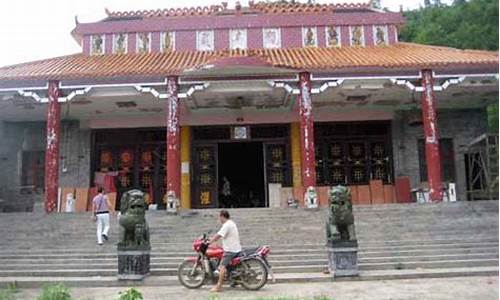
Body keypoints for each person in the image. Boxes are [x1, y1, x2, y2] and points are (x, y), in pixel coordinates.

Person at [208, 210, 242, 293]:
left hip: (230, 250)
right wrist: (214, 242)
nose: (219, 219)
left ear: (223, 216)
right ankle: (234, 280)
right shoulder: (231, 223)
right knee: (228, 265)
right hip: (235, 248)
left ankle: (218, 286)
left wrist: (211, 241)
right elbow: (224, 236)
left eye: (219, 217)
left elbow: (219, 235)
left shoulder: (226, 225)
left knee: (222, 267)